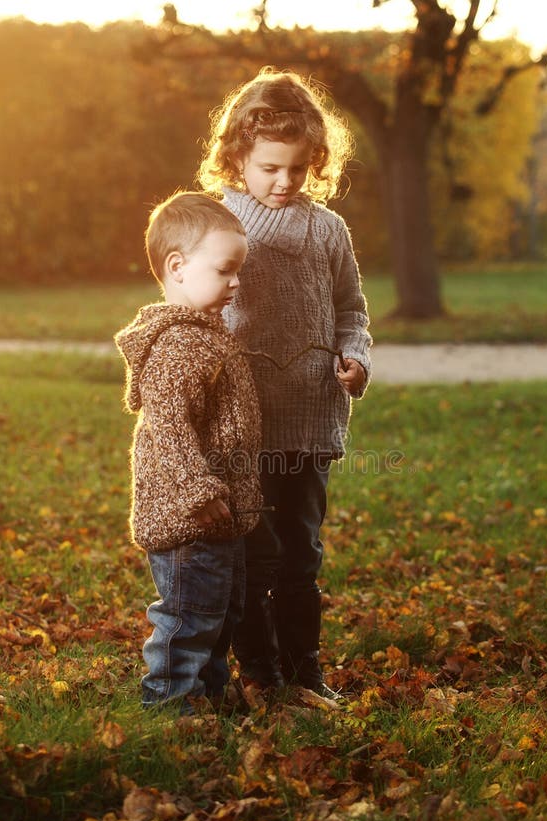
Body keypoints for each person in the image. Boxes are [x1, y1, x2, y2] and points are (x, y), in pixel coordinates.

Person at [197, 68, 372, 700]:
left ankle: (305, 674)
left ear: (315, 162)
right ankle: (261, 678)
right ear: (238, 155)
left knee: (301, 556)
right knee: (252, 557)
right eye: (270, 167)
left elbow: (351, 309)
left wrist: (355, 356)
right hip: (243, 425)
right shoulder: (216, 224)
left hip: (311, 421)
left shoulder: (328, 229)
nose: (284, 181)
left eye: (297, 169)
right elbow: (190, 308)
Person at [114, 190, 263, 714]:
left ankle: (209, 698)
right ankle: (168, 703)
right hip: (189, 520)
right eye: (225, 270)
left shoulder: (209, 337)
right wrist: (197, 491)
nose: (236, 282)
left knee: (222, 612)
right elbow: (168, 428)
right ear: (177, 267)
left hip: (221, 516)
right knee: (189, 615)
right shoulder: (177, 345)